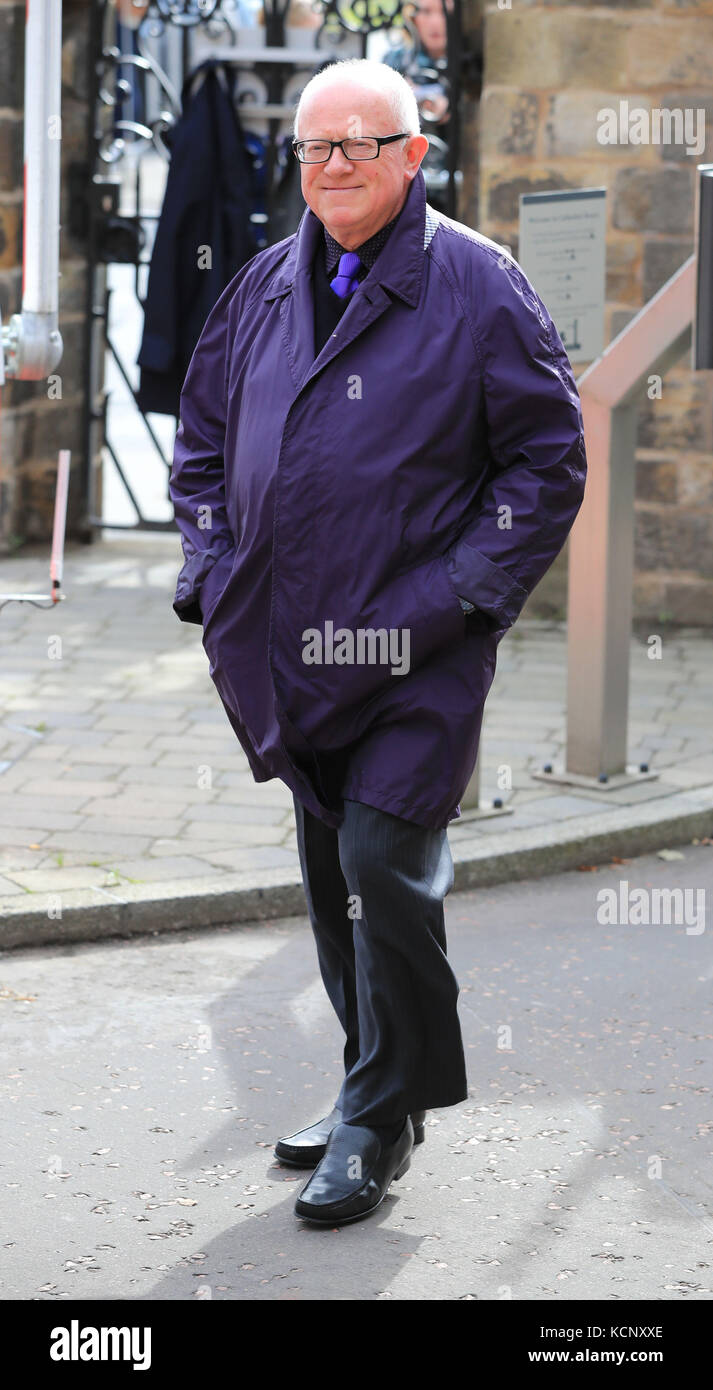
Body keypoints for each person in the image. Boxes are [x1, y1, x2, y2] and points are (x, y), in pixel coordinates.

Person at [168, 58, 587, 1226]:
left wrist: (460, 593)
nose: (338, 163)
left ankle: (377, 1115)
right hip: (287, 648)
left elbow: (546, 461)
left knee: (379, 872)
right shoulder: (260, 285)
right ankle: (375, 1085)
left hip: (415, 647)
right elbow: (201, 442)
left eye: (364, 142)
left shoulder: (477, 285)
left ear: (415, 154)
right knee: (326, 874)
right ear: (295, 164)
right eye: (317, 146)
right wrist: (207, 564)